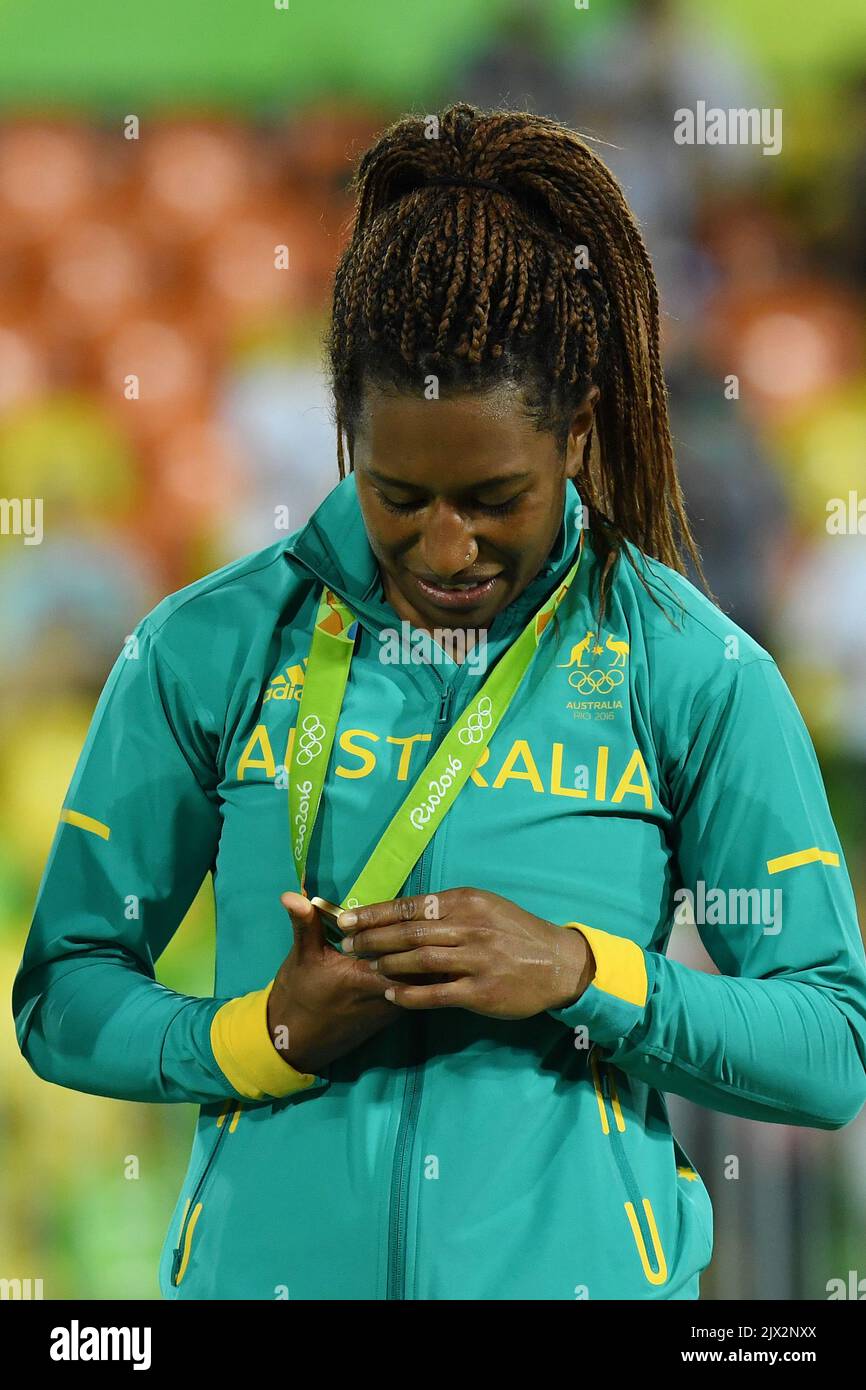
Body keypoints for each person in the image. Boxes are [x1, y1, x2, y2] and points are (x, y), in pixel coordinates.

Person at [13, 103, 866, 1301]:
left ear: (573, 434)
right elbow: (63, 993)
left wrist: (584, 973)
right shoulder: (203, 648)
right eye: (400, 493)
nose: (446, 546)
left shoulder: (690, 670)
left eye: (493, 496)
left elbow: (829, 1048)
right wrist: (258, 1036)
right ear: (346, 433)